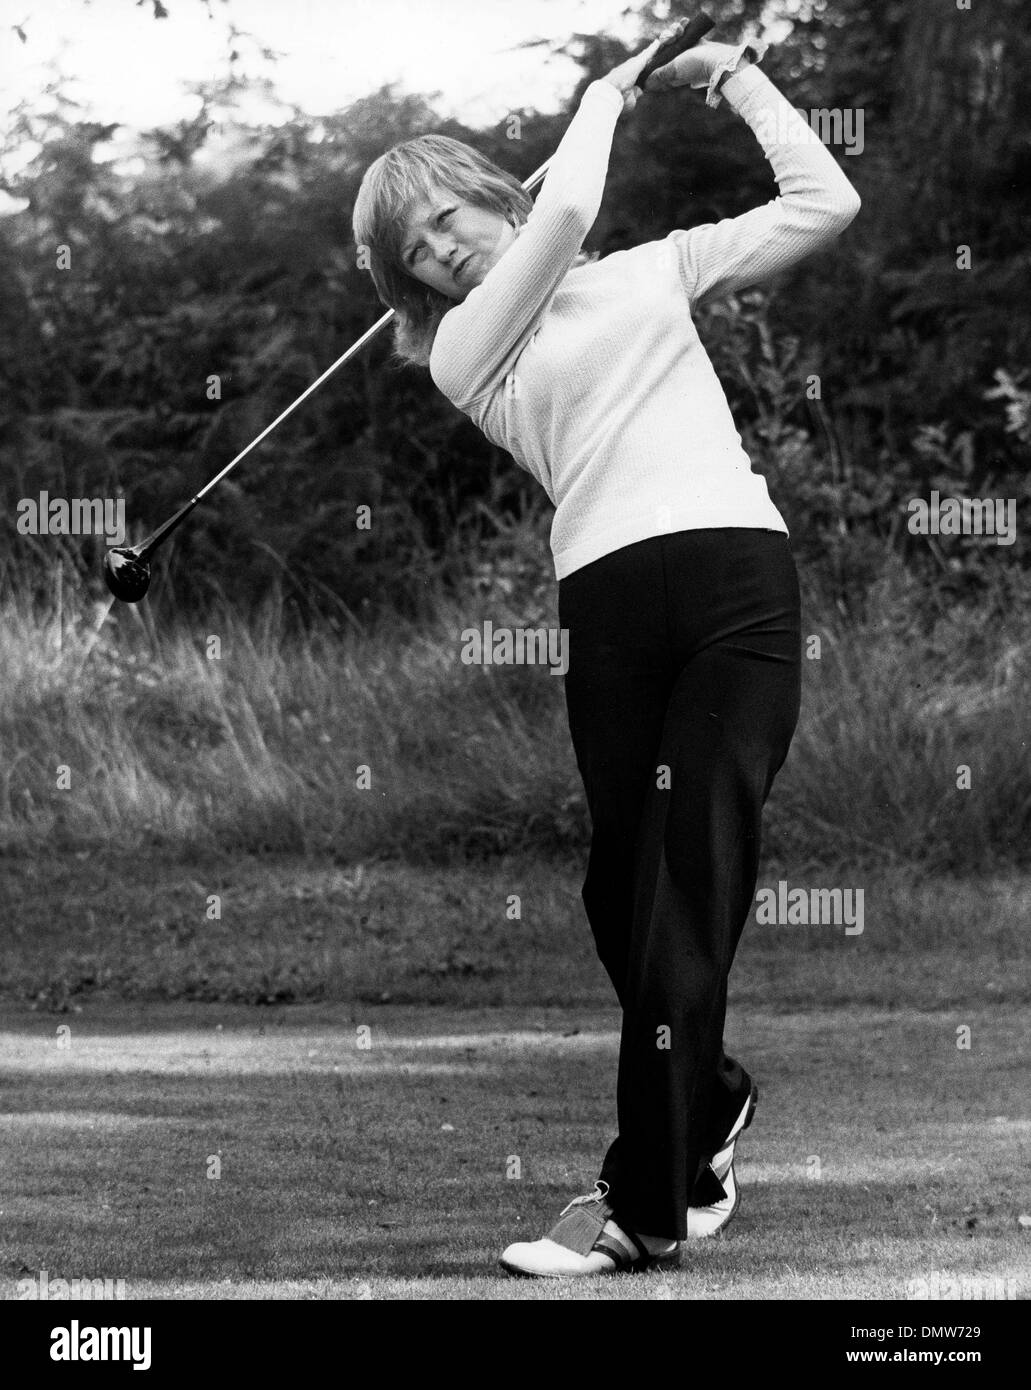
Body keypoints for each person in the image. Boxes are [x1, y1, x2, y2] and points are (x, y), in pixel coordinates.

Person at [352, 23, 860, 1278]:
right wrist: (603, 97)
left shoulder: (652, 271)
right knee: (615, 895)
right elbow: (568, 200)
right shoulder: (470, 351)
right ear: (412, 285)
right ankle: (713, 1096)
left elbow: (825, 200)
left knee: (684, 879)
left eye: (445, 215)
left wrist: (733, 77)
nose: (441, 247)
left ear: (485, 193)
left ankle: (642, 1207)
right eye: (412, 250)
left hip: (735, 580)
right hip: (610, 605)